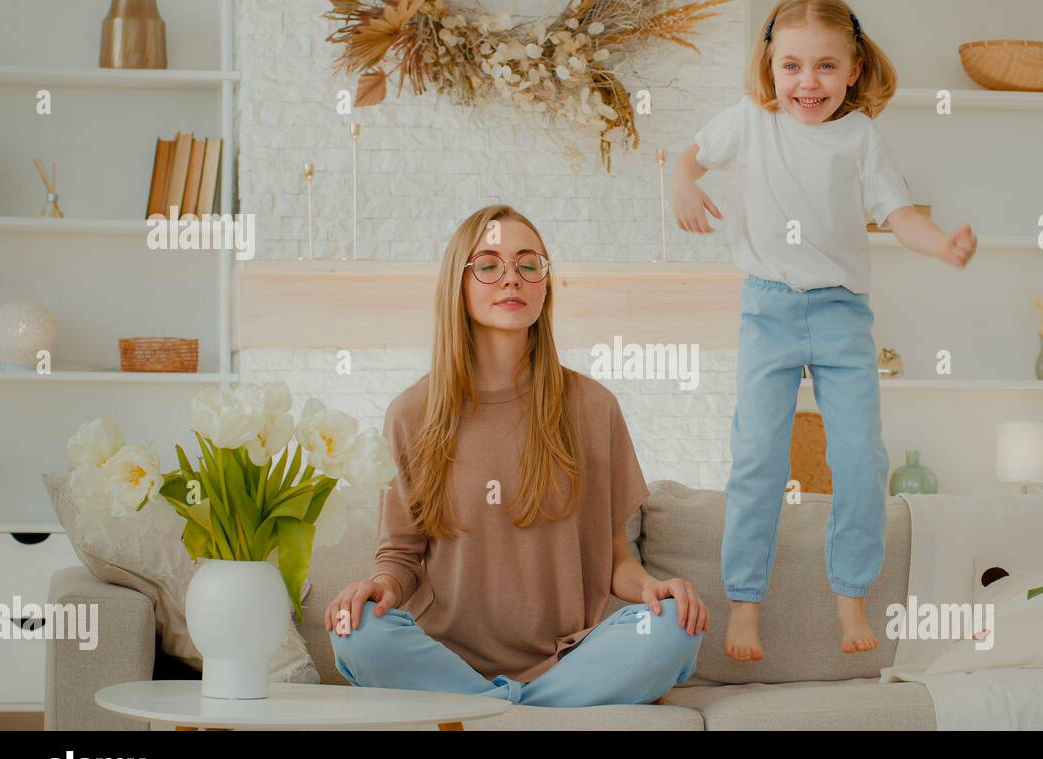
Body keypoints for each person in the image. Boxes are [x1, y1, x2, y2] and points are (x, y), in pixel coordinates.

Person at [671, 0, 977, 662]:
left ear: (853, 68)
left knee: (860, 458)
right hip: (767, 310)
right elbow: (685, 158)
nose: (807, 82)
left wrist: (941, 243)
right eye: (792, 66)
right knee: (759, 459)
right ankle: (745, 605)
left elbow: (898, 215)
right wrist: (682, 186)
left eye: (825, 66)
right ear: (770, 66)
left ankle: (851, 597)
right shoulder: (750, 122)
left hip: (841, 314)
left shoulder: (861, 137)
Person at [326, 204, 708, 707]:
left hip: (571, 656)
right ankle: (534, 709)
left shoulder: (593, 407)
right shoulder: (411, 413)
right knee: (355, 633)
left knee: (674, 631)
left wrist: (655, 589)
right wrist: (377, 591)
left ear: (544, 285)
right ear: (458, 286)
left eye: (529, 265)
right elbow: (400, 558)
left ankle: (482, 709)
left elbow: (614, 559)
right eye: (488, 265)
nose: (512, 279)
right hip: (447, 657)